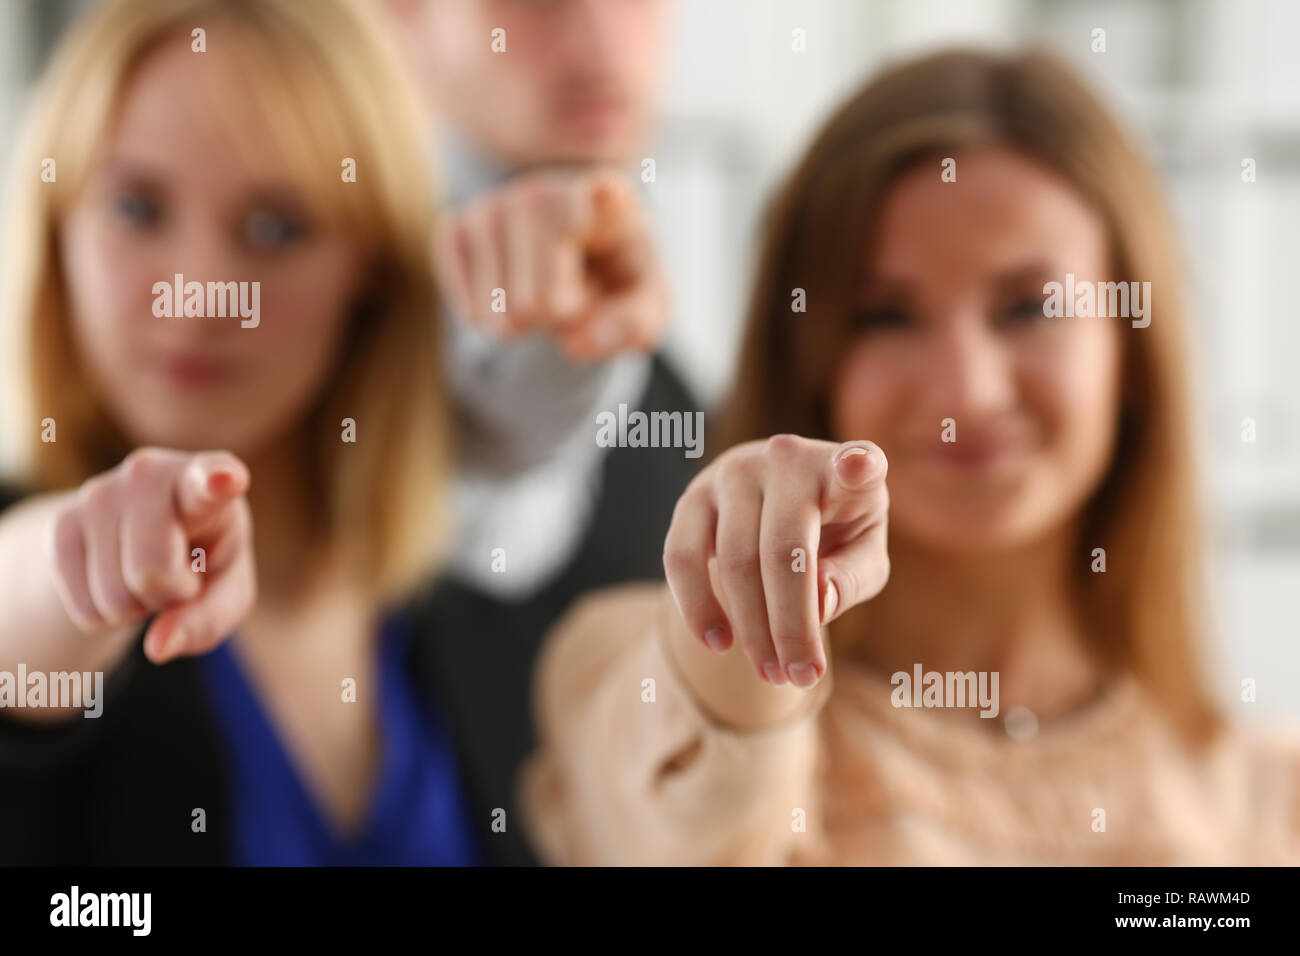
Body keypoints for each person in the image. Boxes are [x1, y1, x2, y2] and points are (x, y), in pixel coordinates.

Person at [517, 48, 1300, 865]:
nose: (966, 392)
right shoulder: (660, 700)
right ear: (810, 362)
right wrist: (739, 608)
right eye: (886, 317)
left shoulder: (1268, 800)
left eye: (1029, 306)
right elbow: (685, 809)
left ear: (1132, 351)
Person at [0, 0, 477, 865]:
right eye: (138, 209)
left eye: (276, 228)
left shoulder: (475, 575)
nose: (199, 291)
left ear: (370, 267)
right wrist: (82, 560)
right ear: (58, 224)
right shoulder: (32, 559)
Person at [381, 0, 700, 864]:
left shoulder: (671, 378)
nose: (600, 39)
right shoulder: (334, 317)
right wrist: (557, 364)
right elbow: (499, 511)